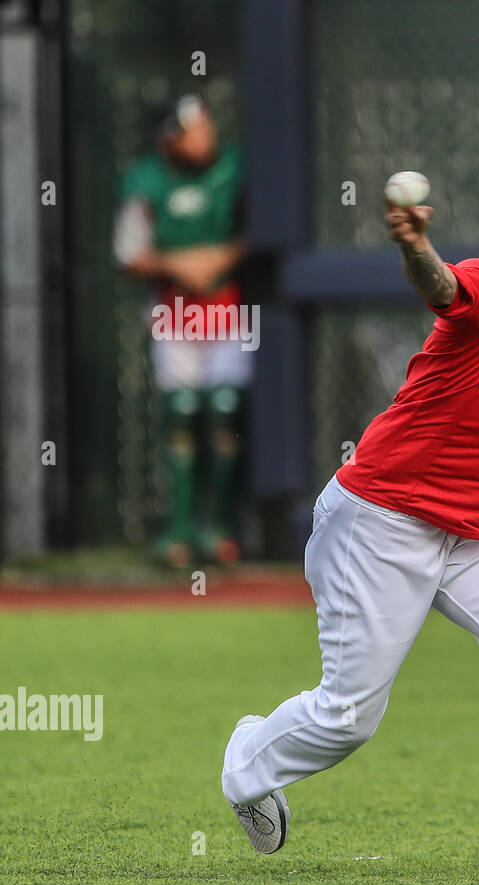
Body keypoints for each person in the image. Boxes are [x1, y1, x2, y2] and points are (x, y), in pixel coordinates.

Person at [221, 147, 479, 880]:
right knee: (347, 718)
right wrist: (415, 246)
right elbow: (446, 290)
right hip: (382, 517)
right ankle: (245, 764)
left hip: (470, 525)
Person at [115, 94, 249, 567]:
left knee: (225, 407)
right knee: (182, 410)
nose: (204, 137)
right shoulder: (146, 180)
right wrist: (177, 262)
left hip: (229, 311)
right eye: (194, 130)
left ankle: (219, 530)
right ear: (171, 137)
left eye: (206, 127)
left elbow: (264, 228)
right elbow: (128, 254)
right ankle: (180, 531)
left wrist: (222, 256)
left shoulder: (236, 168)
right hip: (175, 313)